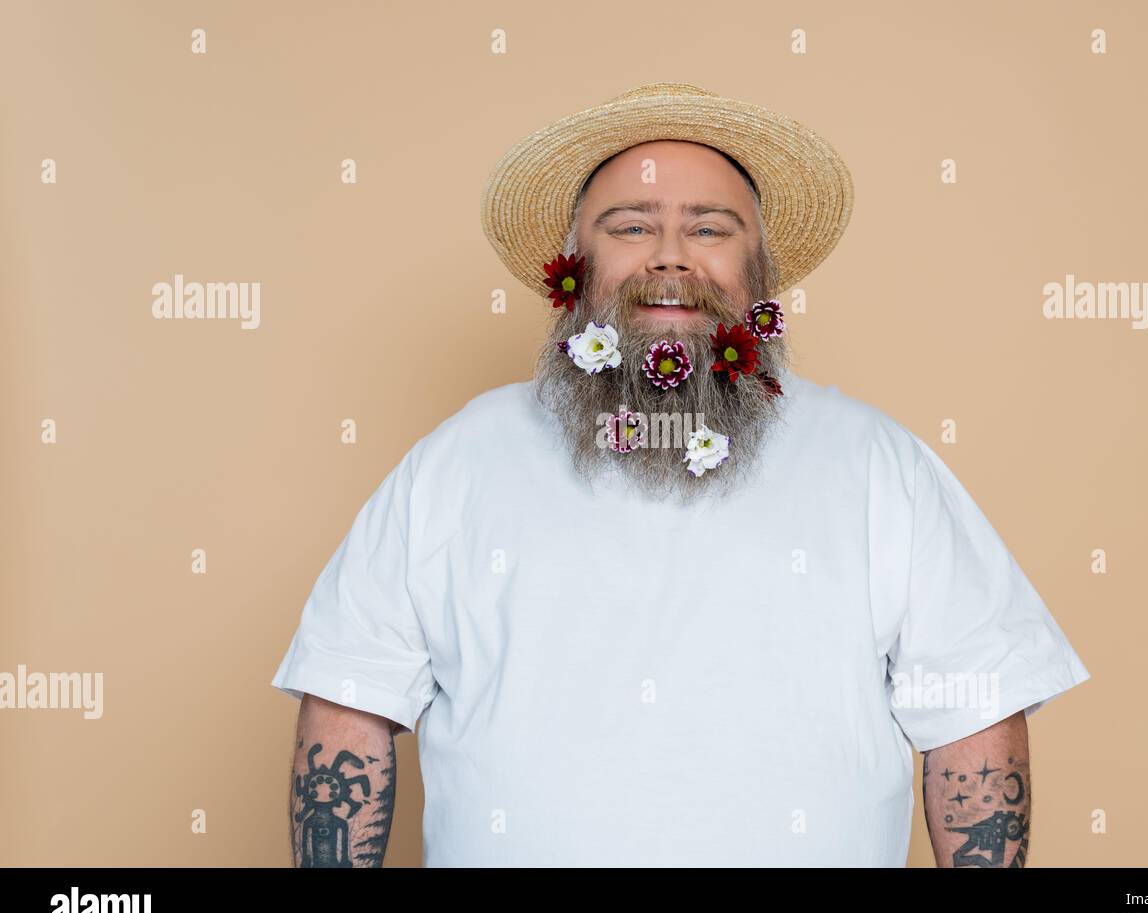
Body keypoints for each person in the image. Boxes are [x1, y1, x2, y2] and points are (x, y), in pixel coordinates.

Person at [271, 82, 1090, 867]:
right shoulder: (456, 460)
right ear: (573, 266)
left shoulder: (879, 464)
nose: (670, 255)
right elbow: (350, 700)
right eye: (630, 227)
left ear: (758, 271)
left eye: (709, 228)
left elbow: (974, 717)